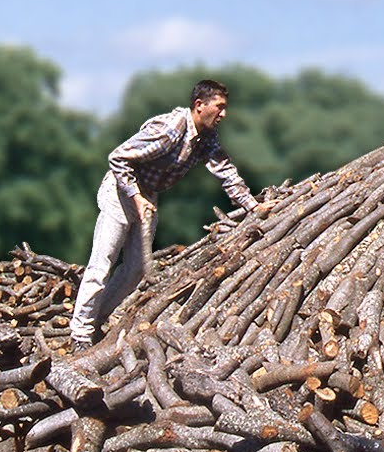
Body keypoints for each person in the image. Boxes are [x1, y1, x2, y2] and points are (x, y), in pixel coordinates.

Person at [69, 79, 269, 350]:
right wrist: (134, 196)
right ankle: (79, 335)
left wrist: (253, 207)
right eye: (219, 107)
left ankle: (95, 322)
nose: (224, 114)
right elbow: (118, 157)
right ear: (200, 105)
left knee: (136, 268)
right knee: (102, 262)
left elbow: (225, 171)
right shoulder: (170, 129)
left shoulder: (206, 137)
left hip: (147, 195)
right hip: (121, 191)